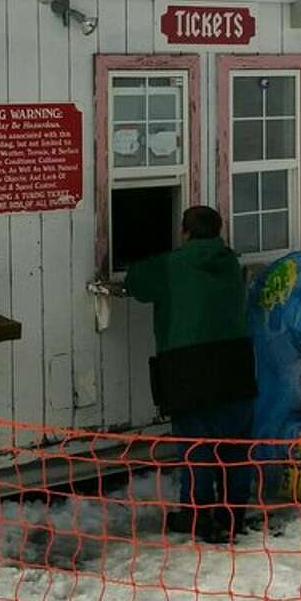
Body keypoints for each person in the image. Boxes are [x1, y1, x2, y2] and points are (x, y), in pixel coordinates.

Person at [123, 205, 258, 543]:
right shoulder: (230, 263)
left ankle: (198, 516)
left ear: (185, 231)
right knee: (235, 446)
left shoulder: (170, 266)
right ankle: (233, 514)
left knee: (197, 447)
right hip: (236, 364)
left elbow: (135, 282)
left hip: (189, 368)